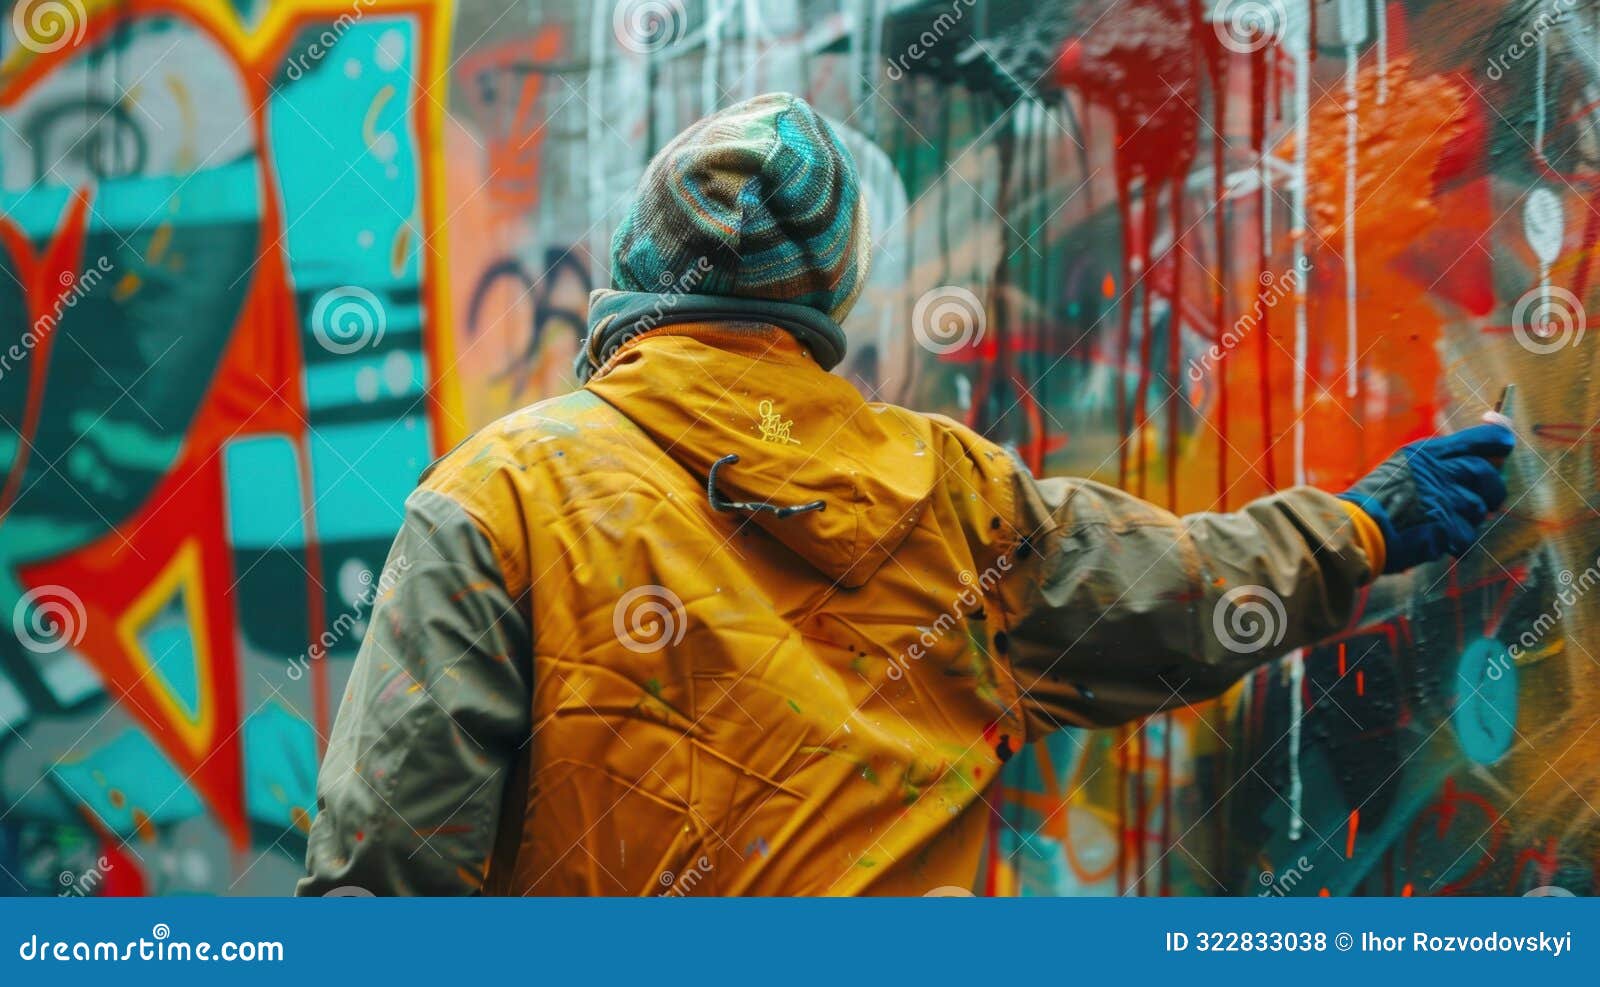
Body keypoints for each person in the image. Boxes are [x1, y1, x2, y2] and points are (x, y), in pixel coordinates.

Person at [297, 93, 1514, 896]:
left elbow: (390, 863)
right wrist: (1363, 521)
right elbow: (1184, 596)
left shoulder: (497, 497)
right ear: (826, 294)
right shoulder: (948, 492)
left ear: (633, 265)